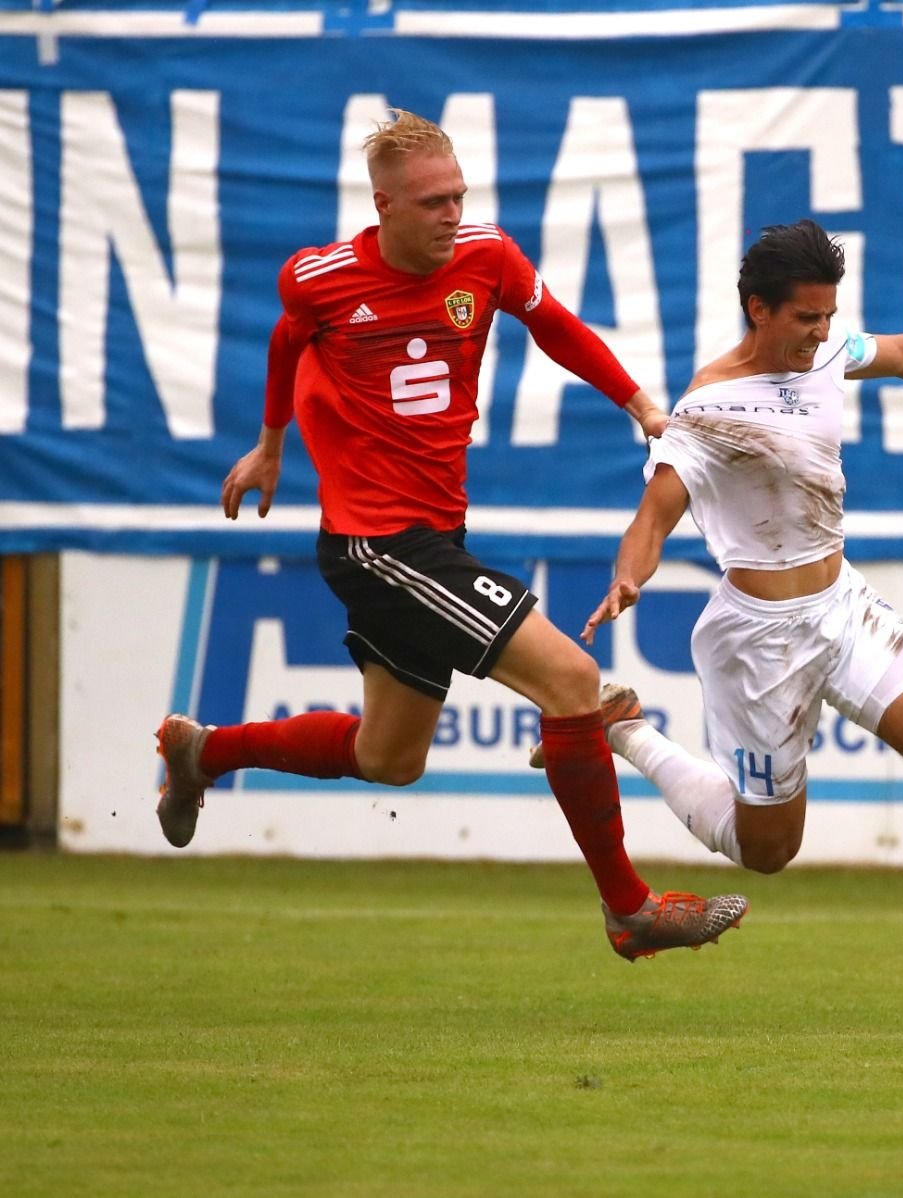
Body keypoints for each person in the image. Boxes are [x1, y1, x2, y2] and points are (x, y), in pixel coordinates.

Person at [154, 109, 746, 962]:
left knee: (389, 756)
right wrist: (273, 445)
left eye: (458, 195)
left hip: (436, 535)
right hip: (378, 543)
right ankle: (630, 910)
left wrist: (641, 405)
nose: (450, 214)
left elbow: (557, 327)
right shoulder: (318, 279)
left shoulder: (487, 257)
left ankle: (205, 750)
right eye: (432, 201)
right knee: (574, 679)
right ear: (383, 205)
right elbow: (289, 340)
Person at [535, 219, 903, 1024]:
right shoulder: (709, 405)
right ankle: (626, 731)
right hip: (760, 639)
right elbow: (654, 517)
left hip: (842, 606)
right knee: (767, 851)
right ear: (757, 310)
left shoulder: (828, 353)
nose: (821, 333)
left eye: (829, 316)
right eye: (805, 317)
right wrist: (629, 579)